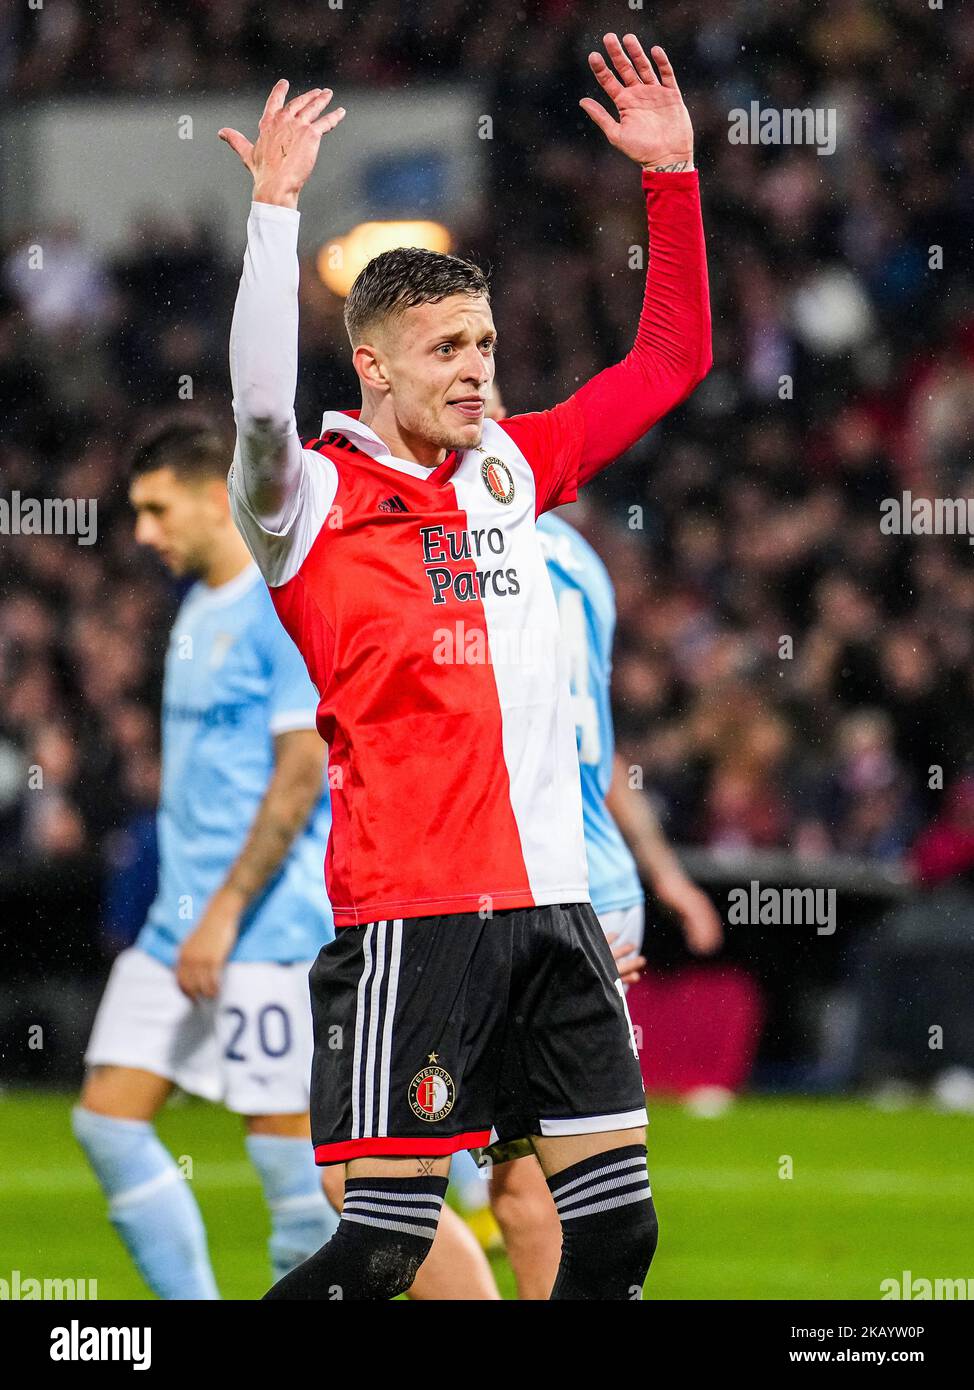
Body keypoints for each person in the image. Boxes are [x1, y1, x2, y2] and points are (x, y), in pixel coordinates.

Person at [220, 31, 711, 1300]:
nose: (479, 370)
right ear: (373, 366)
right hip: (413, 915)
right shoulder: (306, 500)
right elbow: (260, 405)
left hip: (554, 913)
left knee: (617, 1235)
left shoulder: (511, 470)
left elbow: (668, 364)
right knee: (382, 1243)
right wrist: (274, 214)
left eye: (486, 344)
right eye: (447, 351)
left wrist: (671, 178)